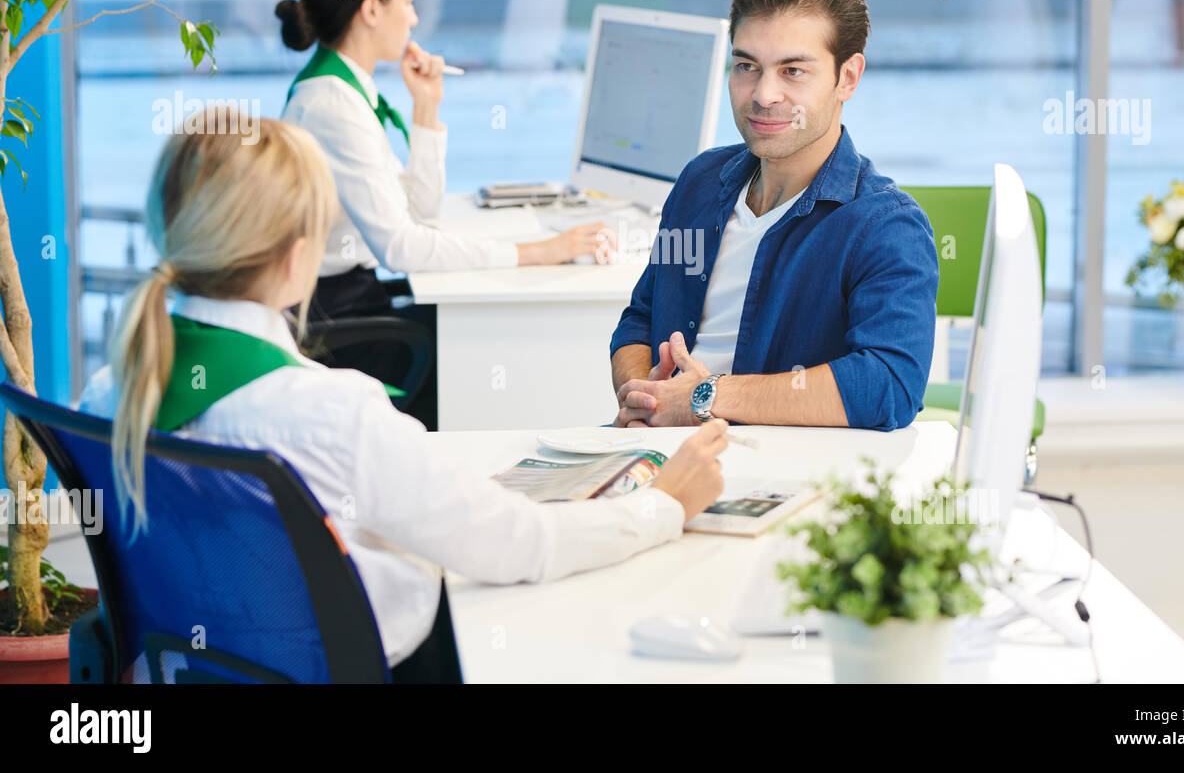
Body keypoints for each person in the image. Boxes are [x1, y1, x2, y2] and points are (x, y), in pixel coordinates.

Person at [78, 108, 729, 683]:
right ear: (295, 258)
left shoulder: (107, 396)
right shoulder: (329, 411)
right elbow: (519, 547)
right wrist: (664, 504)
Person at [275, 0, 612, 421]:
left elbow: (419, 209)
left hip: (353, 303)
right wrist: (539, 252)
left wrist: (427, 106)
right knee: (486, 342)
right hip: (337, 326)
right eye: (407, 2)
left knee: (481, 328)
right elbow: (401, 246)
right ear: (371, 9)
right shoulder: (332, 104)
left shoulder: (344, 91)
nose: (413, 18)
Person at [609, 0, 939, 431]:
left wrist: (706, 398)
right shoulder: (700, 183)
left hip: (768, 473)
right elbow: (641, 320)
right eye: (747, 66)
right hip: (653, 445)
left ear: (847, 77)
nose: (763, 94)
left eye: (793, 71)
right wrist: (647, 398)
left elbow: (889, 385)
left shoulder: (885, 226)